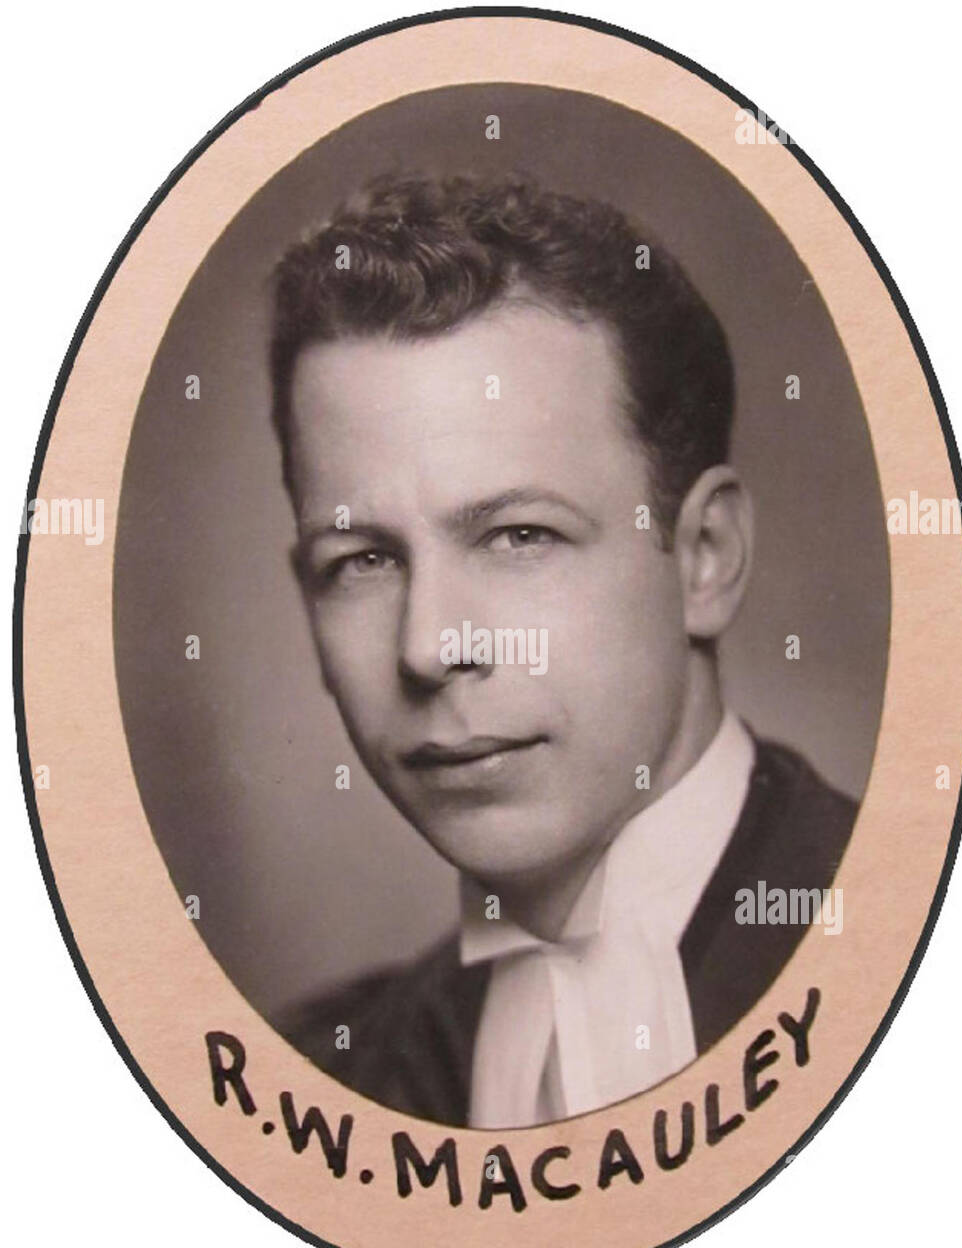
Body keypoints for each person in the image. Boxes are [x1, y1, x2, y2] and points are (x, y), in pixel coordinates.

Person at [269, 173, 856, 1128]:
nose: (429, 648)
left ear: (705, 558)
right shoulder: (315, 1085)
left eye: (519, 536)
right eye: (363, 560)